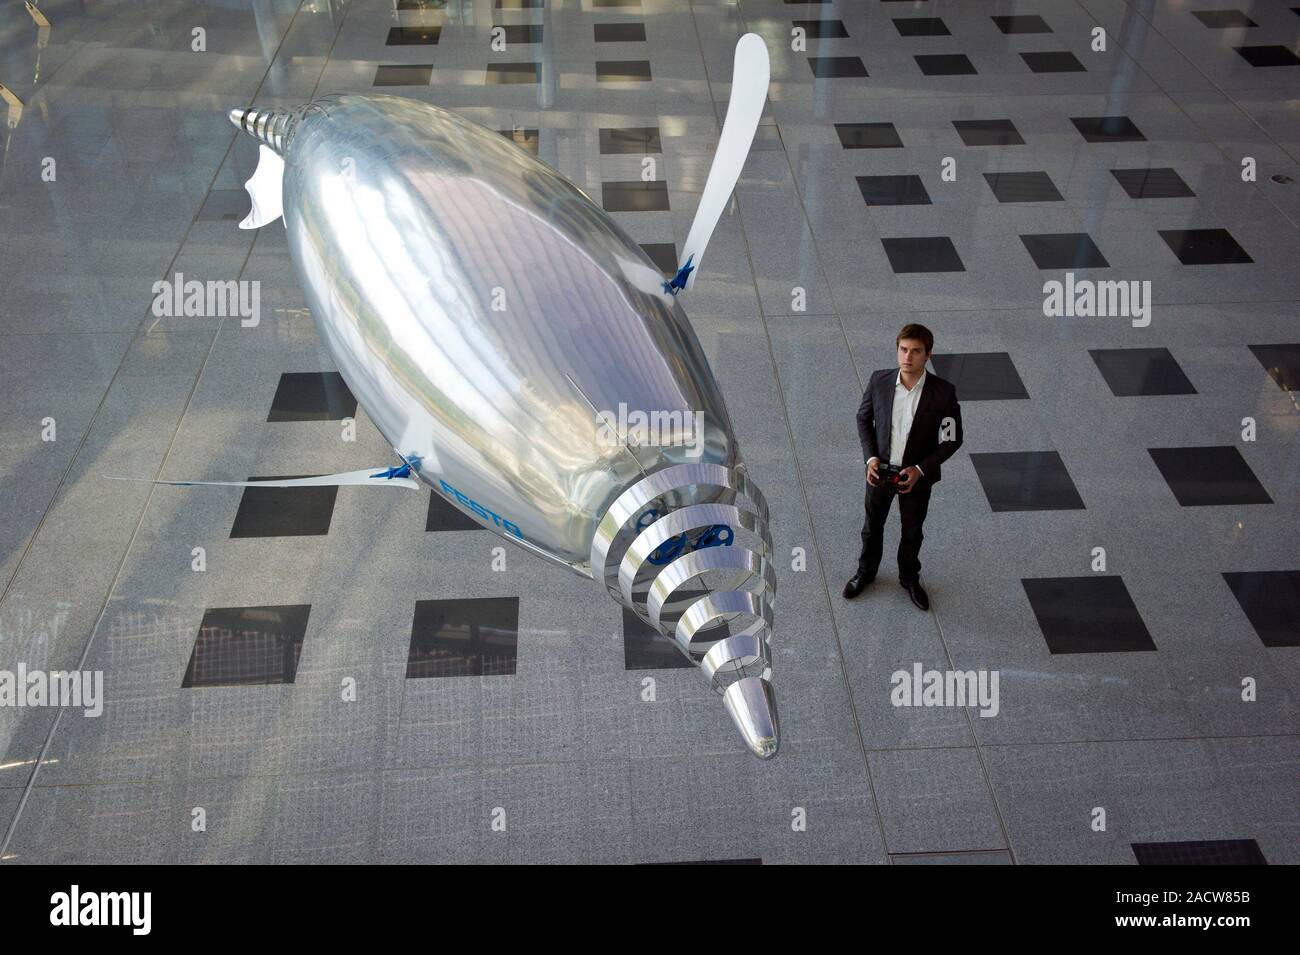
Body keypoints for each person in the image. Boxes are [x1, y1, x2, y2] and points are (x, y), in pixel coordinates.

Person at [845, 323, 963, 610]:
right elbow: (863, 419)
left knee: (912, 531)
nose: (907, 357)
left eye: (915, 351)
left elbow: (952, 439)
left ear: (928, 354)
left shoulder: (943, 393)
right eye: (903, 349)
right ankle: (865, 573)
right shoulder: (879, 381)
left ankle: (909, 579)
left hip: (916, 478)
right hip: (879, 471)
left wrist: (920, 470)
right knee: (872, 527)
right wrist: (870, 458)